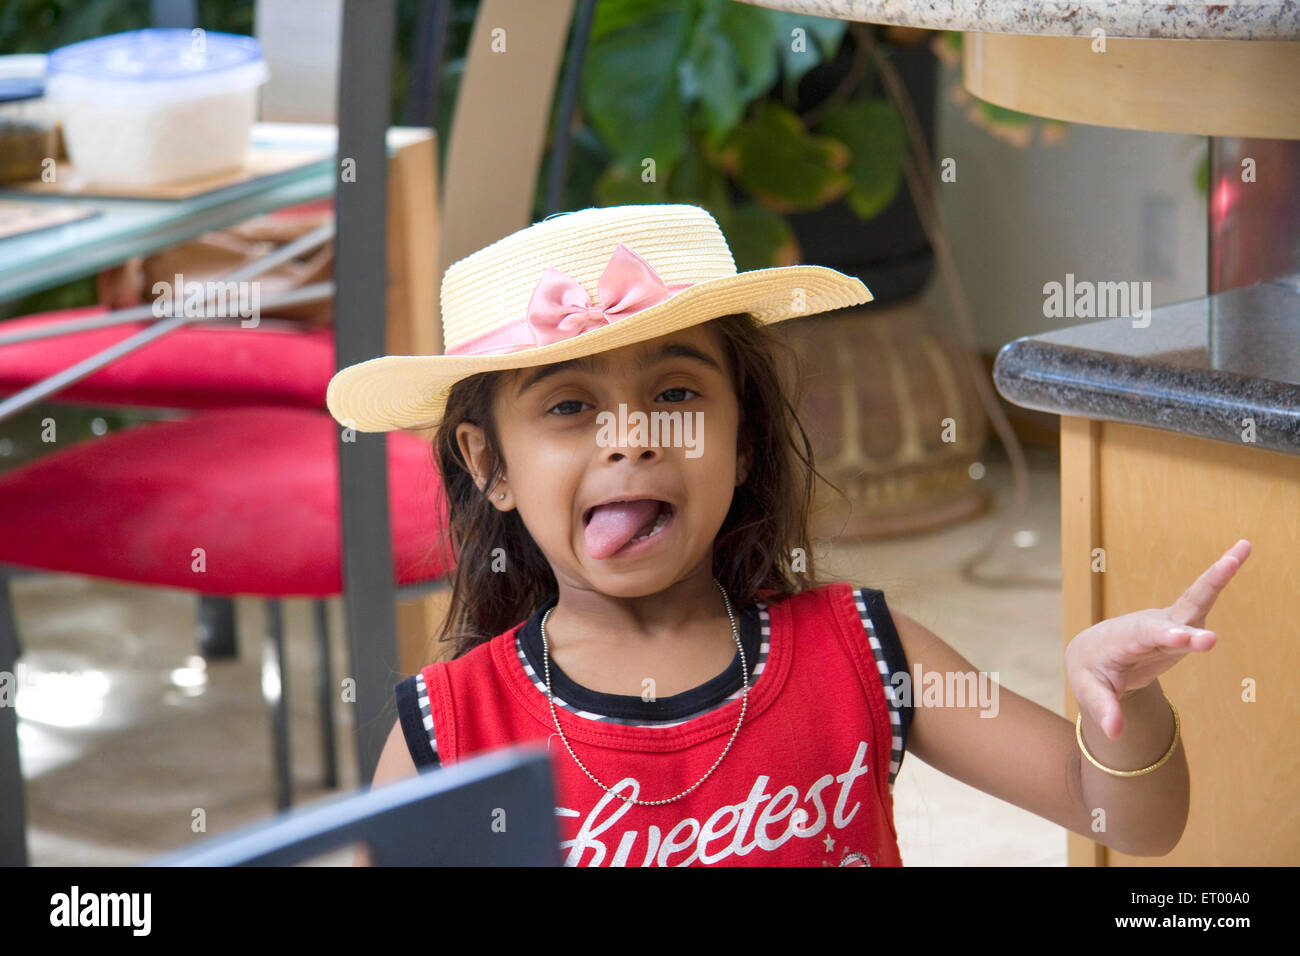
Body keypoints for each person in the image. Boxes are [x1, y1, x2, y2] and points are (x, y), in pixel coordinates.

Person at [328, 204, 1250, 867]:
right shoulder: (447, 731)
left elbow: (1130, 823)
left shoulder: (864, 648)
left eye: (678, 393)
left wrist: (1121, 707)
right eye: (570, 407)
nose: (634, 436)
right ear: (488, 466)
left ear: (743, 441)